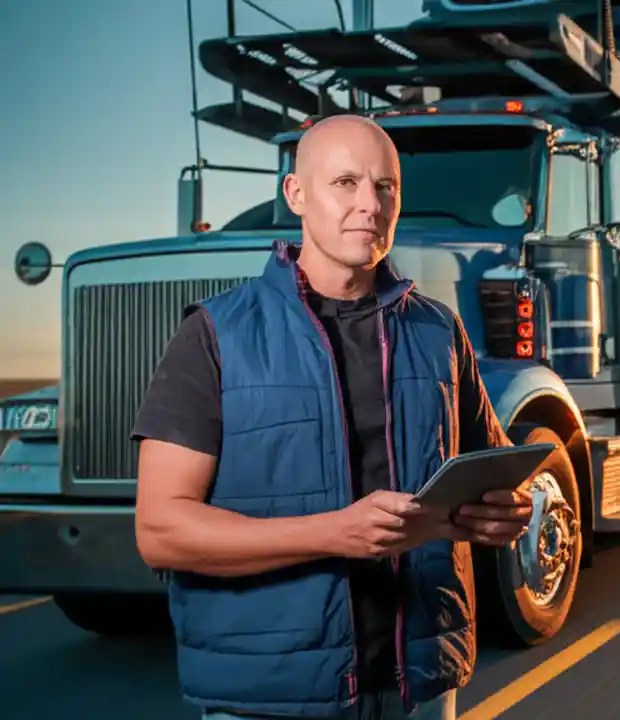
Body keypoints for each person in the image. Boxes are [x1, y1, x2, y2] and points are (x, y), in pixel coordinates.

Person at [132, 114, 533, 719]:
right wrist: (331, 534)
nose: (369, 204)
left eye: (385, 187)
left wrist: (507, 512)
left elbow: (492, 470)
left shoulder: (439, 331)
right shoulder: (213, 335)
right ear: (296, 195)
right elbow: (160, 531)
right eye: (345, 182)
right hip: (272, 698)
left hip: (420, 687)